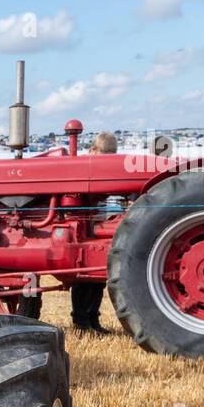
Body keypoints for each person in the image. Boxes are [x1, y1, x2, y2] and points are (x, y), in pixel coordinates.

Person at [71, 132, 117, 334]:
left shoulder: (105, 171)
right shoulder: (82, 169)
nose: (107, 161)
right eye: (104, 155)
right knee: (84, 277)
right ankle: (81, 321)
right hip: (82, 226)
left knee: (99, 277)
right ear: (92, 151)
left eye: (111, 157)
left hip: (97, 224)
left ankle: (93, 319)